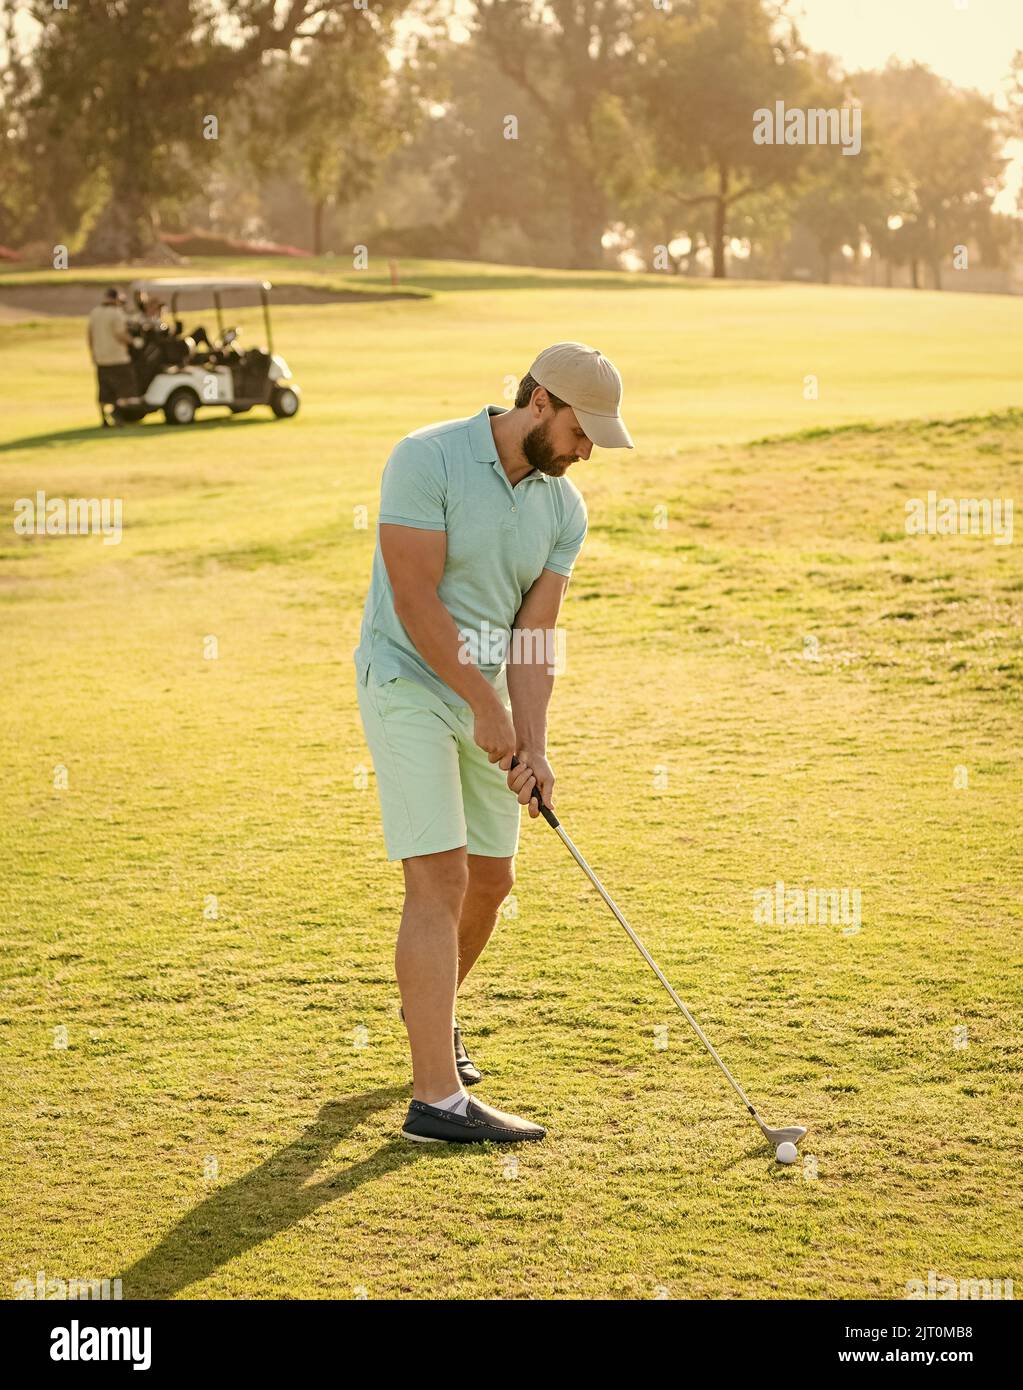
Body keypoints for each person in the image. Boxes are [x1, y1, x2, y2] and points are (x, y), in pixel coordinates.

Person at [354, 342, 634, 1145]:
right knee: (438, 875)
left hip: (487, 701)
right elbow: (411, 597)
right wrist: (483, 705)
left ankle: (428, 1019)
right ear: (539, 401)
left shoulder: (562, 508)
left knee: (491, 879)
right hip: (406, 681)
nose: (587, 453)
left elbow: (535, 635)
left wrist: (533, 745)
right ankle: (435, 1102)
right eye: (583, 433)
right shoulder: (426, 457)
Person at [86, 287, 136, 427]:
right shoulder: (116, 313)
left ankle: (104, 420)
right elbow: (120, 334)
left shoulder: (95, 313)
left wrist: (93, 353)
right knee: (121, 390)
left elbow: (90, 335)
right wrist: (133, 342)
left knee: (104, 391)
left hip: (101, 358)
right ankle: (118, 417)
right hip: (118, 358)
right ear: (116, 299)